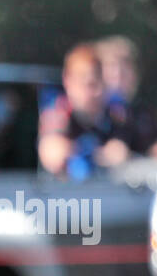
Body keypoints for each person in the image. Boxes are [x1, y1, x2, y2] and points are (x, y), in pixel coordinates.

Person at [39, 43, 148, 178]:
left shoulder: (117, 114)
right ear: (68, 82)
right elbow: (53, 155)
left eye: (102, 83)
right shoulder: (59, 112)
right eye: (89, 85)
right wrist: (98, 155)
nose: (97, 92)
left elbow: (124, 153)